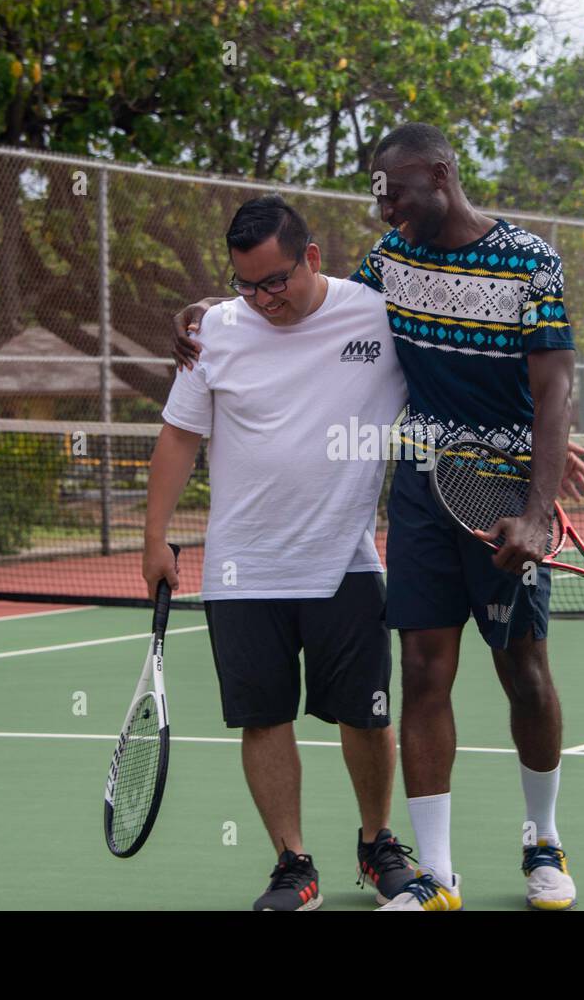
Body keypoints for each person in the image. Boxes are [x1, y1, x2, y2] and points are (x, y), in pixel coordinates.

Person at [173, 123, 584, 911]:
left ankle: (543, 836)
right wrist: (210, 309)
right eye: (379, 197)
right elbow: (300, 296)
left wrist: (538, 507)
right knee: (425, 673)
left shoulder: (530, 260)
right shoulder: (391, 261)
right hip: (425, 495)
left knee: (524, 674)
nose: (386, 210)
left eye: (396, 193)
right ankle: (434, 867)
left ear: (440, 174)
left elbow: (555, 389)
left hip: (505, 496)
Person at [143, 194, 416, 910]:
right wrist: (153, 539)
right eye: (245, 283)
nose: (262, 299)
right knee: (264, 718)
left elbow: (455, 371)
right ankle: (293, 865)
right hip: (241, 569)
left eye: (275, 281)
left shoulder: (375, 316)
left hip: (346, 562)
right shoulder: (216, 333)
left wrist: (538, 433)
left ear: (312, 259)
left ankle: (377, 842)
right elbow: (178, 436)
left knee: (366, 715)